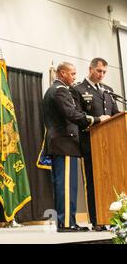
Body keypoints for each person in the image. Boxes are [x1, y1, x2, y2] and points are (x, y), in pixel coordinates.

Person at [42, 62, 109, 232]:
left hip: (64, 144)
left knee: (66, 185)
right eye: (72, 73)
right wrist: (97, 119)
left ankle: (68, 221)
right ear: (62, 73)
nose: (74, 77)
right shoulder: (60, 90)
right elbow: (72, 114)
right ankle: (66, 223)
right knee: (65, 185)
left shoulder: (58, 89)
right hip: (64, 143)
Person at [74, 58, 120, 231]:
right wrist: (98, 121)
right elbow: (77, 116)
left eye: (104, 72)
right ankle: (97, 219)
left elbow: (115, 115)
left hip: (111, 145)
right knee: (93, 183)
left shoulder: (108, 91)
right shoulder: (78, 89)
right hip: (91, 144)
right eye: (99, 71)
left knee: (113, 181)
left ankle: (114, 217)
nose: (101, 75)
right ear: (90, 69)